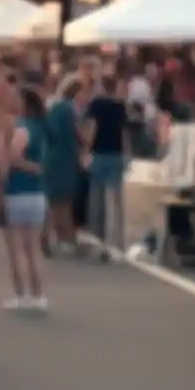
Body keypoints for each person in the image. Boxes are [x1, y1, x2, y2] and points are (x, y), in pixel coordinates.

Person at [2, 86, 49, 310]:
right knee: (33, 248)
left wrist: (28, 167)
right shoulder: (41, 127)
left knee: (17, 248)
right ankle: (39, 295)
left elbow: (12, 157)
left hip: (18, 190)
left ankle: (21, 295)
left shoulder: (22, 128)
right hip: (37, 193)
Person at [82, 75, 128, 260]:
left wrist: (86, 149)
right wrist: (126, 153)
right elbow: (124, 132)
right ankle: (117, 240)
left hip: (100, 153)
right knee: (116, 199)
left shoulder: (97, 104)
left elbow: (92, 127)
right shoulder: (120, 106)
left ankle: (98, 239)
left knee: (97, 198)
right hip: (116, 154)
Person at [43, 75, 85, 255]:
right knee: (65, 203)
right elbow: (78, 135)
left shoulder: (53, 107)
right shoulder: (69, 109)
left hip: (52, 157)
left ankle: (53, 237)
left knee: (54, 201)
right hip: (66, 158)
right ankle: (66, 239)